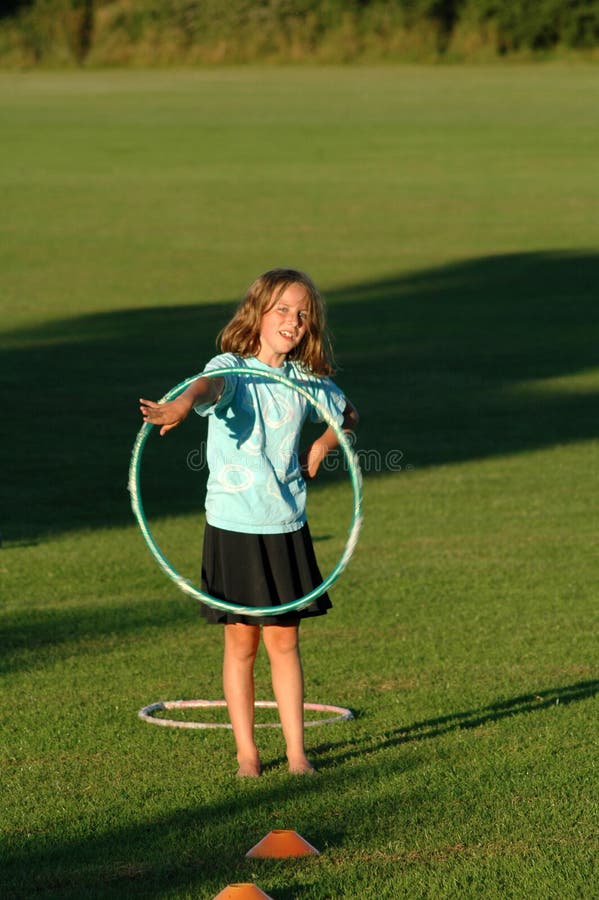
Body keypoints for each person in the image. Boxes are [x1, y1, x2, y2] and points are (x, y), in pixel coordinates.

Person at [139, 269, 358, 777]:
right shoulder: (233, 369)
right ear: (258, 313)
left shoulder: (306, 381)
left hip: (285, 525)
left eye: (302, 314)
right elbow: (207, 385)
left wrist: (325, 443)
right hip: (235, 526)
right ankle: (248, 755)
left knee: (284, 640)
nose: (293, 321)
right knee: (241, 641)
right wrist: (183, 403)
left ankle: (298, 755)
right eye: (282, 309)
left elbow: (348, 414)